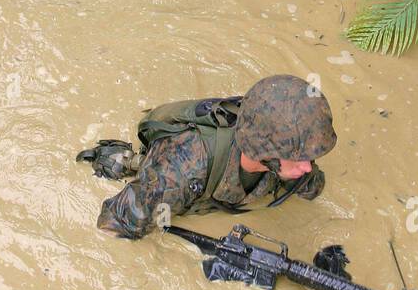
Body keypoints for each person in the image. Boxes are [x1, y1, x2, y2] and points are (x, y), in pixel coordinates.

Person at [78, 74, 337, 239]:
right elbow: (112, 224)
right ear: (264, 152)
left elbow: (311, 189)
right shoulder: (178, 173)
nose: (307, 167)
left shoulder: (291, 151)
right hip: (178, 160)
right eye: (299, 159)